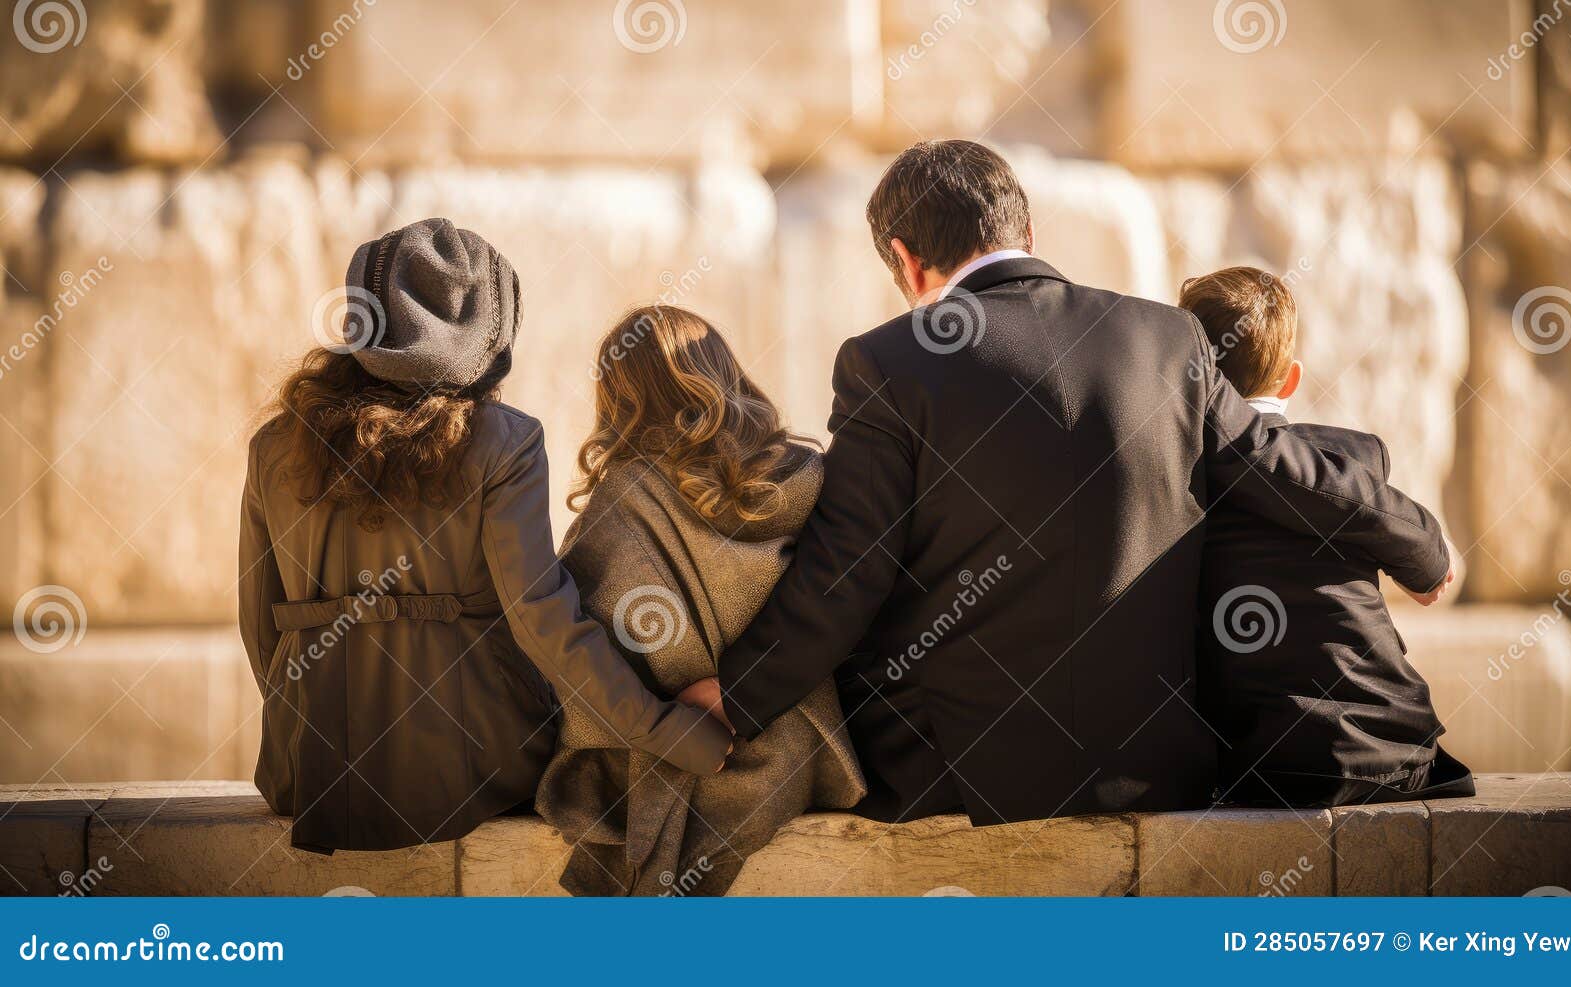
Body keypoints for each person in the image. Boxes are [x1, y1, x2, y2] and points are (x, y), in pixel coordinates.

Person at [679, 140, 1454, 825]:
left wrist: (736, 698)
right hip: (1157, 761)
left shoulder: (886, 362)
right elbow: (1283, 468)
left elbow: (847, 571)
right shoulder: (1165, 336)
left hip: (956, 771)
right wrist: (1421, 546)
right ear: (1027, 234)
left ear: (906, 259)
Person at [238, 219, 730, 854]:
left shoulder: (273, 446)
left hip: (307, 774)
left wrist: (309, 738)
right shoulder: (505, 442)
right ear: (489, 334)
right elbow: (542, 620)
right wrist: (665, 730)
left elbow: (261, 626)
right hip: (468, 771)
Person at [536, 305, 864, 896]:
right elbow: (838, 605)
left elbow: (582, 655)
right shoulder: (807, 479)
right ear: (724, 374)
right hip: (790, 754)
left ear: (619, 400)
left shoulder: (619, 503)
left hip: (661, 752)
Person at [1181, 267, 1474, 807]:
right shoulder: (1354, 456)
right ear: (1290, 380)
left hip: (1247, 765)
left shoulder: (1176, 474)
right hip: (1389, 750)